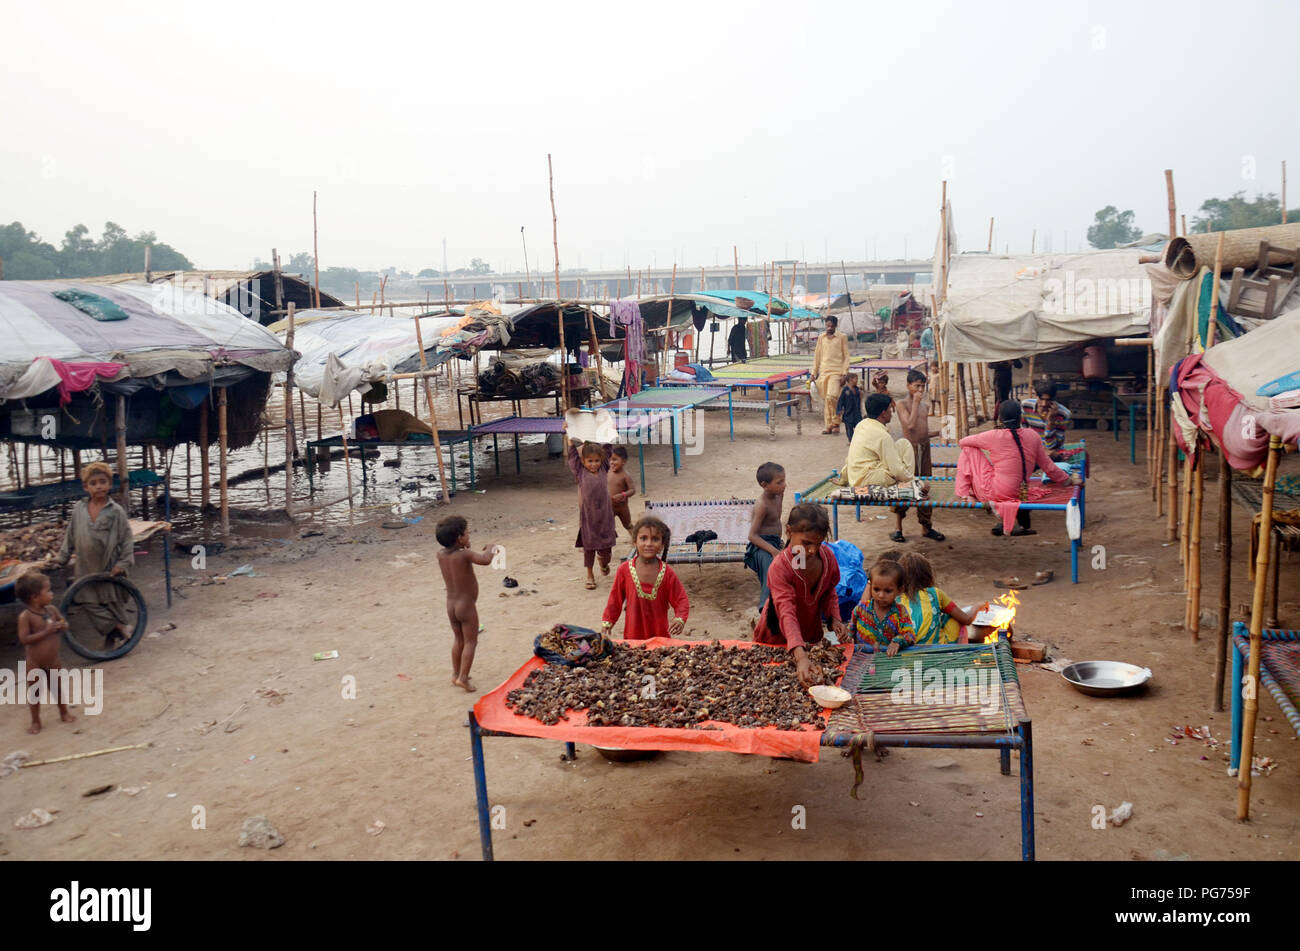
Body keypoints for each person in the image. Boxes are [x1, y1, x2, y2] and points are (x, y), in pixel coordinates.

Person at [752, 502, 848, 688]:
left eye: (818, 543)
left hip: (810, 635)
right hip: (776, 638)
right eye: (806, 543)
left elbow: (829, 591)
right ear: (789, 532)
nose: (812, 550)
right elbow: (786, 612)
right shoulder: (781, 568)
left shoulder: (827, 558)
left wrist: (834, 618)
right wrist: (800, 656)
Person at [957, 399, 1082, 536]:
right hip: (1022, 492)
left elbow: (963, 442)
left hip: (997, 492)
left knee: (968, 450)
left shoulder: (993, 436)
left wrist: (993, 446)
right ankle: (1016, 518)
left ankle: (964, 495)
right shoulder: (1033, 435)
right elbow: (1048, 466)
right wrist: (1066, 479)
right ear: (1020, 417)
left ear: (1000, 418)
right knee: (1012, 476)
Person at [48, 461, 134, 648]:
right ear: (86, 487)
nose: (99, 486)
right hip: (85, 566)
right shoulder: (79, 509)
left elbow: (127, 539)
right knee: (88, 601)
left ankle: (115, 633)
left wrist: (123, 563)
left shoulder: (116, 511)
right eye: (93, 483)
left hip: (108, 565)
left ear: (110, 484)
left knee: (112, 602)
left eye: (103, 482)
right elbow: (70, 535)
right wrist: (61, 558)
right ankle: (119, 627)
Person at [602, 515, 690, 640]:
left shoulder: (667, 573)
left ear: (662, 544)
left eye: (655, 539)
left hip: (660, 638)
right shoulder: (624, 570)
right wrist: (608, 621)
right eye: (643, 538)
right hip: (633, 637)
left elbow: (681, 599)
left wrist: (680, 618)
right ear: (635, 542)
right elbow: (615, 600)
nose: (649, 544)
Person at [436, 516, 498, 691]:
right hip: (467, 607)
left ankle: (456, 674)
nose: (469, 535)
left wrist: (464, 545)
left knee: (458, 639)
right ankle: (463, 678)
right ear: (459, 538)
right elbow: (485, 560)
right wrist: (492, 547)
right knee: (471, 642)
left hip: (451, 605)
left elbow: (457, 555)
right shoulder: (464, 555)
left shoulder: (441, 555)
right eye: (467, 533)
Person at [890, 368, 945, 542]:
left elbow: (922, 431)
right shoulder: (902, 405)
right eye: (917, 386)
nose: (920, 390)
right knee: (905, 487)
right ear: (908, 386)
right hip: (908, 450)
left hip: (924, 448)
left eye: (923, 386)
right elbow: (910, 426)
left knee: (925, 485)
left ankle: (926, 527)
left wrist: (939, 432)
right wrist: (914, 402)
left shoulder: (924, 406)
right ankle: (898, 528)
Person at [16, 572, 73, 734]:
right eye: (48, 591)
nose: (52, 593)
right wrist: (47, 631)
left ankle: (64, 712)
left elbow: (64, 623)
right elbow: (24, 638)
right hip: (34, 663)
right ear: (35, 597)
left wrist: (62, 625)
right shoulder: (26, 617)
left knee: (57, 688)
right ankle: (35, 721)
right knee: (35, 692)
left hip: (53, 660)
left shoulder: (52, 610)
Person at [564, 427, 617, 588]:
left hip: (606, 516)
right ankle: (590, 575)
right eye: (590, 461)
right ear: (584, 461)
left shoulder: (604, 469)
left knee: (607, 550)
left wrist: (608, 428)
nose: (593, 464)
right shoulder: (580, 472)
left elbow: (608, 449)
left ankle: (604, 563)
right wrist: (568, 433)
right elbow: (572, 454)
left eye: (596, 461)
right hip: (589, 517)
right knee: (589, 548)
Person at [897, 552, 981, 645]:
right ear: (927, 574)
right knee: (953, 617)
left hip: (903, 650)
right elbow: (967, 620)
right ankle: (957, 650)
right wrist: (977, 607)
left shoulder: (896, 598)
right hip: (934, 650)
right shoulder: (935, 593)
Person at [839, 393, 916, 489]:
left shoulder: (861, 424)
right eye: (889, 410)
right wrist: (916, 481)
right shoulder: (882, 436)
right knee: (897, 470)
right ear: (883, 413)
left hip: (855, 475)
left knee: (904, 444)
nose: (891, 413)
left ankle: (908, 481)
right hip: (867, 480)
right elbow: (896, 469)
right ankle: (911, 485)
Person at [850, 559, 915, 656]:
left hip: (889, 660)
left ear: (900, 590)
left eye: (888, 591)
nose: (881, 595)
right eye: (876, 589)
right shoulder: (861, 609)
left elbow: (909, 634)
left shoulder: (900, 612)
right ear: (870, 586)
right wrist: (848, 639)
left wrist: (897, 642)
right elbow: (851, 629)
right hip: (861, 659)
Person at [745, 462, 786, 608]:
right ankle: (766, 608)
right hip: (760, 546)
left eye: (784, 480)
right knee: (772, 572)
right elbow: (752, 536)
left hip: (775, 542)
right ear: (764, 485)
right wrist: (773, 551)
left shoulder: (779, 494)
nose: (784, 485)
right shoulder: (762, 505)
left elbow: (777, 520)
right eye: (779, 482)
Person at [811, 316, 851, 434]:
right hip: (823, 372)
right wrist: (813, 373)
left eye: (831, 326)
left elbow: (846, 356)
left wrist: (844, 373)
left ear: (835, 326)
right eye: (827, 326)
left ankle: (836, 422)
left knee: (831, 397)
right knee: (827, 400)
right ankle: (829, 426)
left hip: (836, 372)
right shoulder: (821, 338)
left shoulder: (842, 337)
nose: (829, 328)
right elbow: (817, 356)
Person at [1021, 381, 1072, 458]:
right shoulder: (1026, 406)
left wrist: (1050, 423)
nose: (1044, 404)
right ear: (1036, 395)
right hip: (1032, 448)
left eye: (1048, 400)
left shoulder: (1064, 414)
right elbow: (1023, 432)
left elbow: (1053, 446)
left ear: (1054, 398)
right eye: (1041, 399)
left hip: (1052, 452)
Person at [608, 445, 636, 536]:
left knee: (628, 525)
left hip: (622, 507)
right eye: (610, 459)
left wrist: (623, 495)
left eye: (615, 459)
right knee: (608, 526)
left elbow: (632, 490)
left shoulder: (625, 475)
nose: (612, 462)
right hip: (609, 507)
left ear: (623, 462)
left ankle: (636, 540)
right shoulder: (607, 472)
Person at [835, 374, 864, 440]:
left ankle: (858, 439)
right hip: (848, 413)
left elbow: (860, 400)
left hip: (857, 412)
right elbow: (840, 401)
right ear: (850, 380)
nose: (857, 381)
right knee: (849, 428)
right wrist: (839, 410)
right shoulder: (845, 390)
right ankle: (851, 440)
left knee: (859, 427)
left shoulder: (857, 389)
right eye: (855, 379)